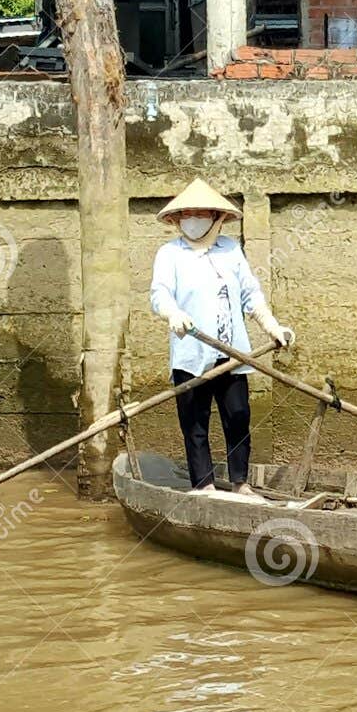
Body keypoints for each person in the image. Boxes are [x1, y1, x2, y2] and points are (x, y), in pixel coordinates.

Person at [150, 179, 294, 496]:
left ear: (216, 217)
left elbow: (250, 294)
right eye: (186, 213)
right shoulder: (170, 253)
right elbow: (159, 294)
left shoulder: (230, 250)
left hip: (232, 353)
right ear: (176, 219)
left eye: (200, 212)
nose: (193, 217)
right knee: (195, 423)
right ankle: (204, 486)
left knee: (239, 418)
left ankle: (241, 482)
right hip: (191, 353)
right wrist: (173, 313)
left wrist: (273, 326)